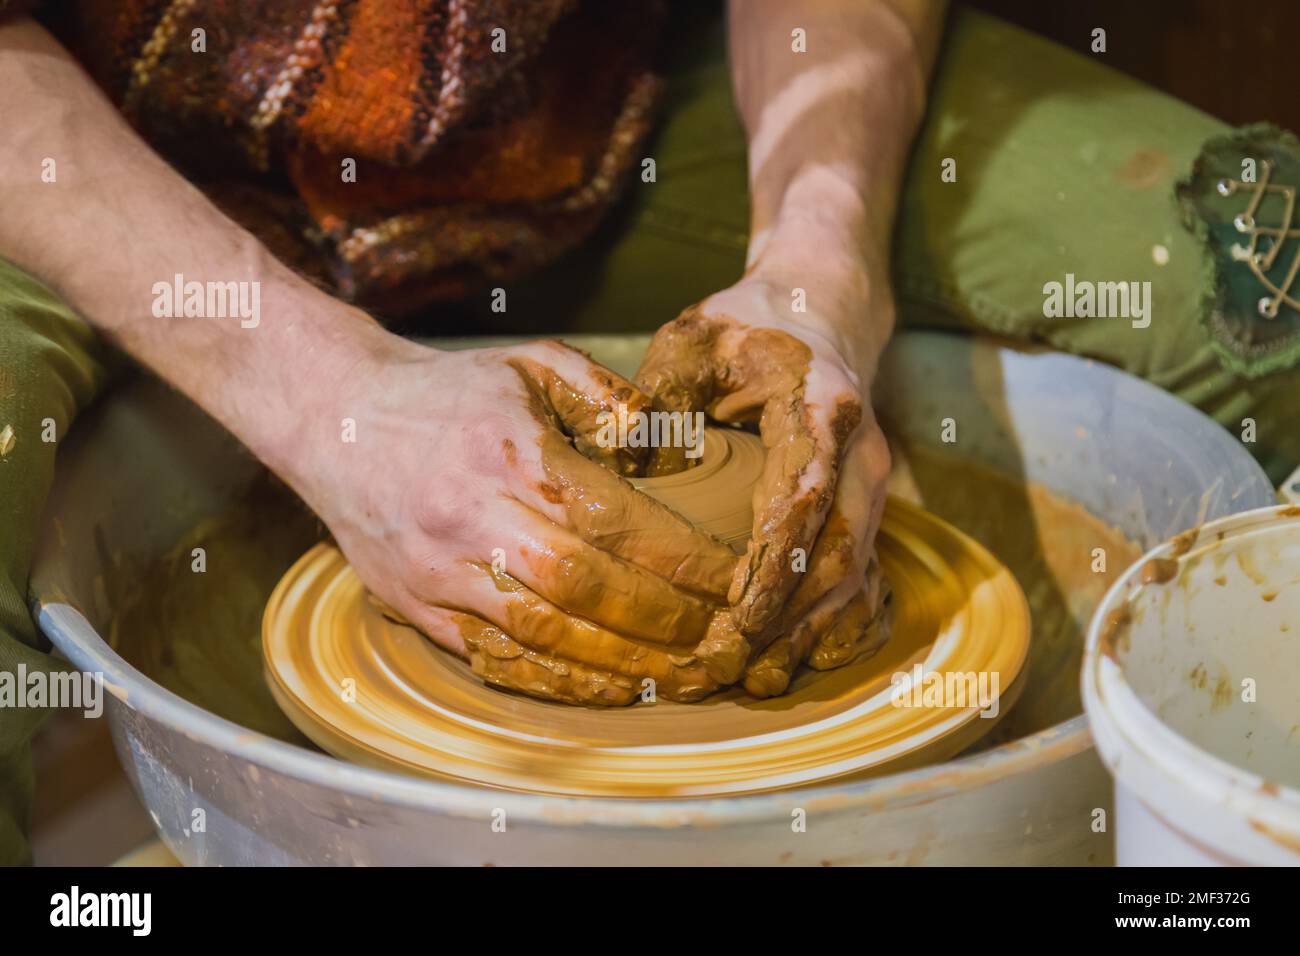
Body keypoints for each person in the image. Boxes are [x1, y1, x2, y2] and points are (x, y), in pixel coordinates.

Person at [2, 0, 1297, 866]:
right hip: (90, 157)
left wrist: (819, 273)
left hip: (595, 104)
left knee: (1261, 272)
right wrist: (317, 395)